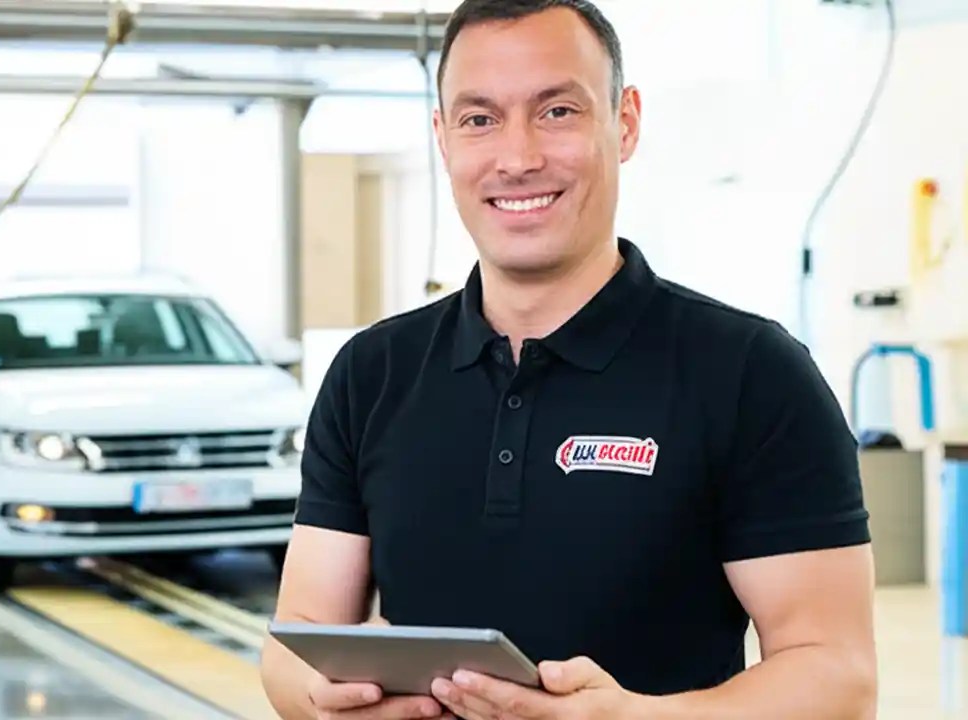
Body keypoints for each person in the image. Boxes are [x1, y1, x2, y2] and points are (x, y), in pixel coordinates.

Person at [259, 0, 878, 718]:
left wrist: (630, 719)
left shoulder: (752, 372)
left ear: (625, 123)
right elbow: (293, 645)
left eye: (557, 111)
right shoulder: (371, 373)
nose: (517, 158)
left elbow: (838, 676)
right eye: (479, 118)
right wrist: (326, 702)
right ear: (443, 138)